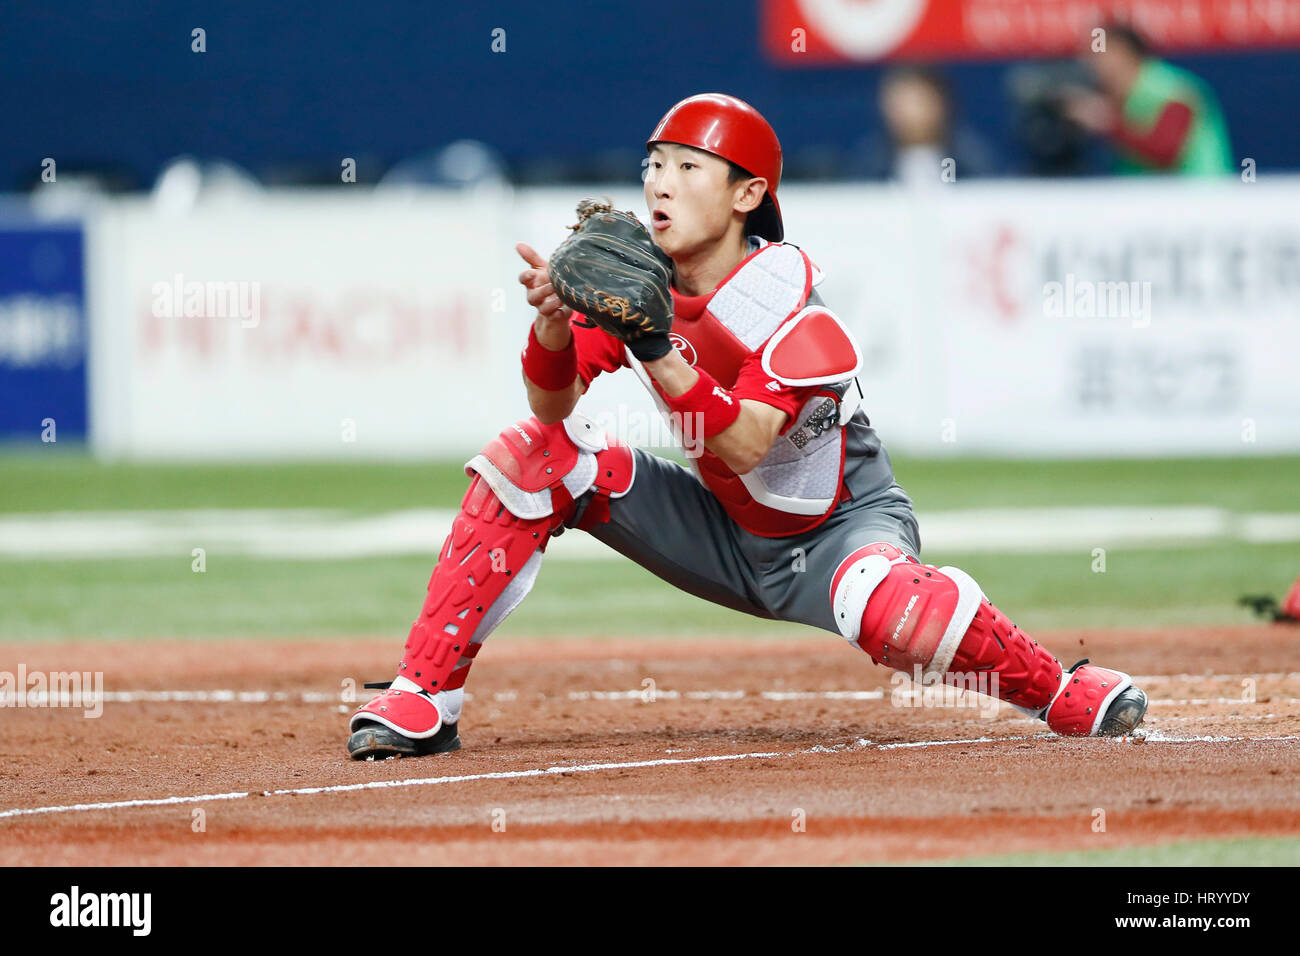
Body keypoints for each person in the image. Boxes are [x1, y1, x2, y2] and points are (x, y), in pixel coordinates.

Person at [345, 93, 1148, 759]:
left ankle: (1058, 690)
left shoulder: (791, 310)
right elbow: (550, 411)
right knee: (529, 459)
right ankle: (424, 696)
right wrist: (553, 327)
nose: (659, 182)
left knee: (899, 609)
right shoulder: (641, 285)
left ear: (746, 194)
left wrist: (654, 345)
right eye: (653, 164)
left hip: (841, 534)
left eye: (687, 166)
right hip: (726, 528)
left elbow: (745, 442)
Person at [1063, 22, 1234, 175]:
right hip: (1150, 203)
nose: (1090, 63)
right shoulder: (1117, 97)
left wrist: (1107, 123)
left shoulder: (1171, 89)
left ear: (1123, 53)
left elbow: (1166, 151)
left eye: (1098, 54)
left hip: (1199, 203)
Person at [850, 66, 1000, 184]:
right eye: (900, 103)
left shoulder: (966, 160)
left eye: (917, 102)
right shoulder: (873, 164)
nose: (909, 113)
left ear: (940, 104)